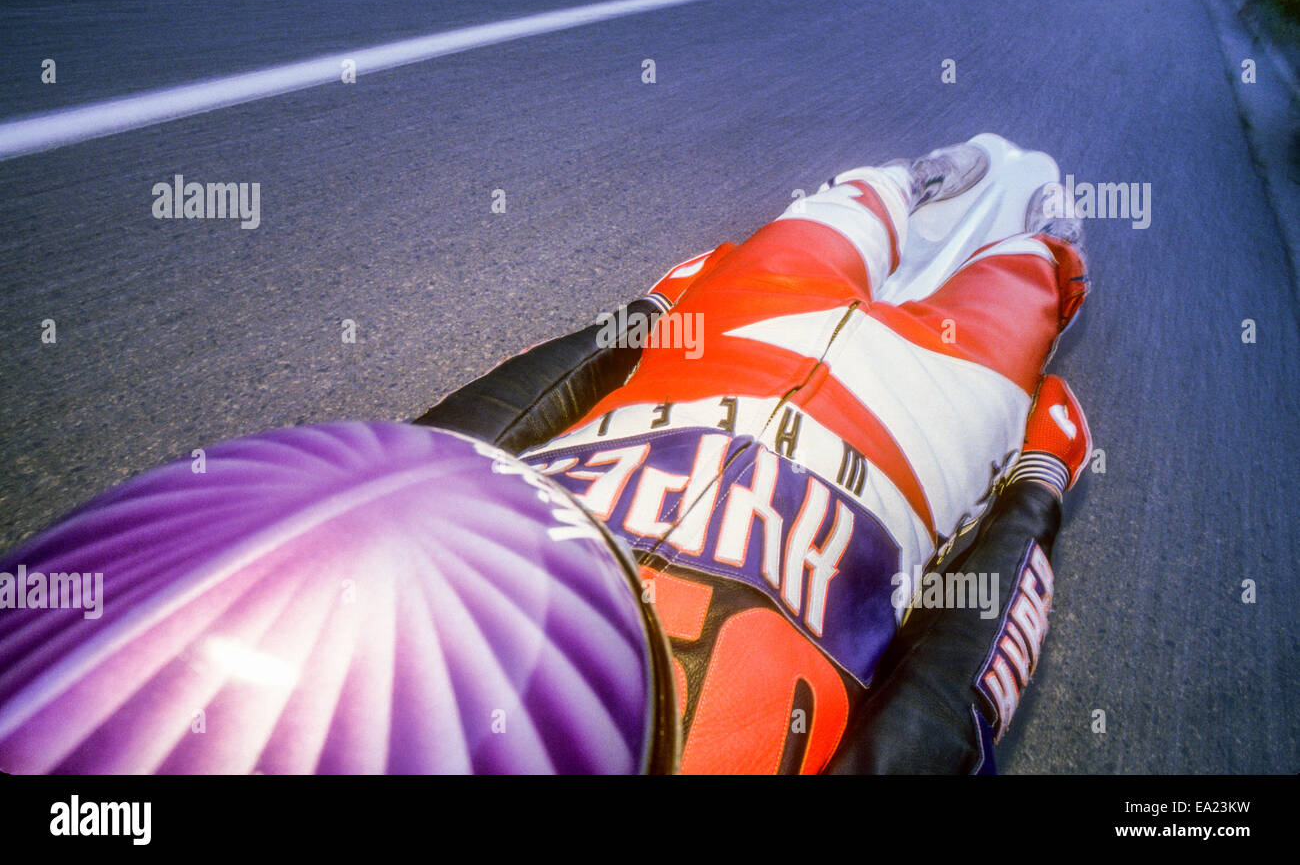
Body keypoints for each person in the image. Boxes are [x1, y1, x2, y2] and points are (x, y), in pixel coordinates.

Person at [416, 133, 1093, 774]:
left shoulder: (345, 671)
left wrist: (649, 315)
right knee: (1016, 289)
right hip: (894, 468)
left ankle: (903, 185)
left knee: (833, 217)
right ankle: (1046, 247)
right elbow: (941, 712)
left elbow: (438, 458)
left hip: (702, 377)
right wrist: (1035, 491)